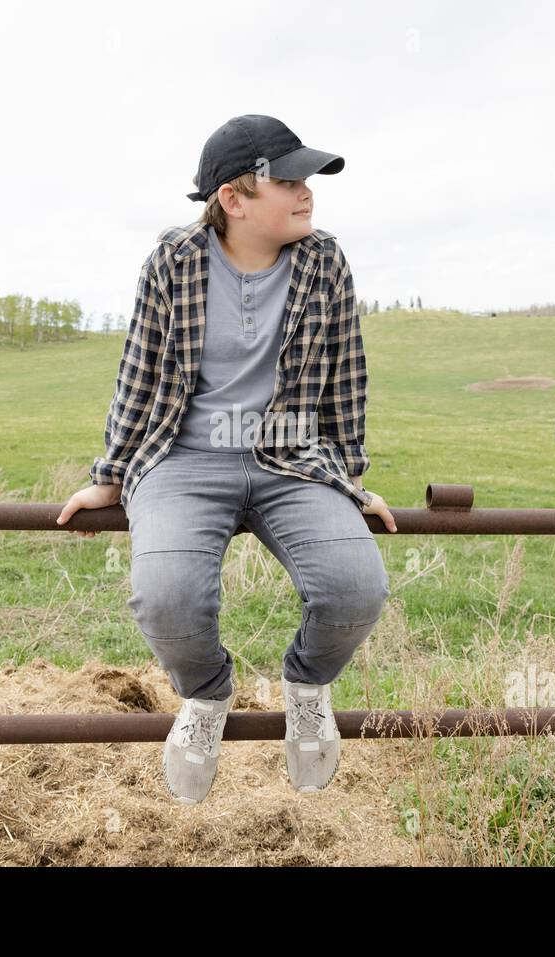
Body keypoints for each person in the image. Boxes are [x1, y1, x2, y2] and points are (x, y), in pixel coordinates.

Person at [57, 115, 397, 805]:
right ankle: (207, 695)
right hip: (182, 458)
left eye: (309, 180)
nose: (306, 193)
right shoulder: (171, 264)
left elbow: (346, 376)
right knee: (168, 599)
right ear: (234, 198)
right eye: (289, 180)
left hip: (292, 457)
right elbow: (139, 376)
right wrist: (110, 477)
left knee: (356, 588)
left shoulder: (325, 262)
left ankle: (306, 687)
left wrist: (352, 480)